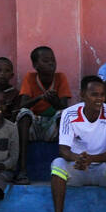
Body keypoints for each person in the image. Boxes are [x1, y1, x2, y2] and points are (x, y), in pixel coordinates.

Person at [47, 76, 106, 212]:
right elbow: (63, 149)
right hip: (78, 167)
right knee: (57, 163)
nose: (99, 99)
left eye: (102, 95)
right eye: (94, 94)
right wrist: (78, 159)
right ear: (82, 95)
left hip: (101, 168)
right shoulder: (69, 114)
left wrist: (90, 159)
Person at [14, 46, 71, 184]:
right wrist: (41, 98)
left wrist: (54, 100)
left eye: (52, 60)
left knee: (64, 115)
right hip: (32, 127)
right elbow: (22, 105)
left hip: (51, 128)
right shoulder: (30, 77)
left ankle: (66, 168)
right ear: (35, 65)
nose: (51, 63)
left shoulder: (60, 77)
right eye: (46, 60)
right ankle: (22, 170)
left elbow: (64, 107)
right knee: (24, 114)